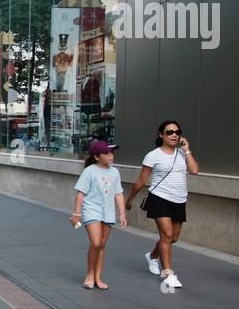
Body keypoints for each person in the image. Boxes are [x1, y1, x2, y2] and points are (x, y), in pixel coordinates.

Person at [125, 119, 199, 288]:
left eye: (177, 132)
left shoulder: (182, 154)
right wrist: (129, 200)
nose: (174, 135)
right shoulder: (153, 155)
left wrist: (187, 150)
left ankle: (152, 256)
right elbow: (141, 180)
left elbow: (194, 170)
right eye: (169, 132)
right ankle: (168, 274)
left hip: (179, 199)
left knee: (173, 237)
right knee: (166, 235)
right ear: (161, 135)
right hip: (159, 198)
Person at [70, 140, 127, 289]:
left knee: (101, 245)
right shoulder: (89, 171)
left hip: (108, 212)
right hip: (92, 210)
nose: (111, 156)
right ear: (96, 156)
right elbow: (80, 193)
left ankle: (98, 277)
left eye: (112, 153)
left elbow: (119, 193)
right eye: (106, 153)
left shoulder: (115, 172)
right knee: (95, 243)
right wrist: (77, 213)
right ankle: (90, 274)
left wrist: (122, 213)